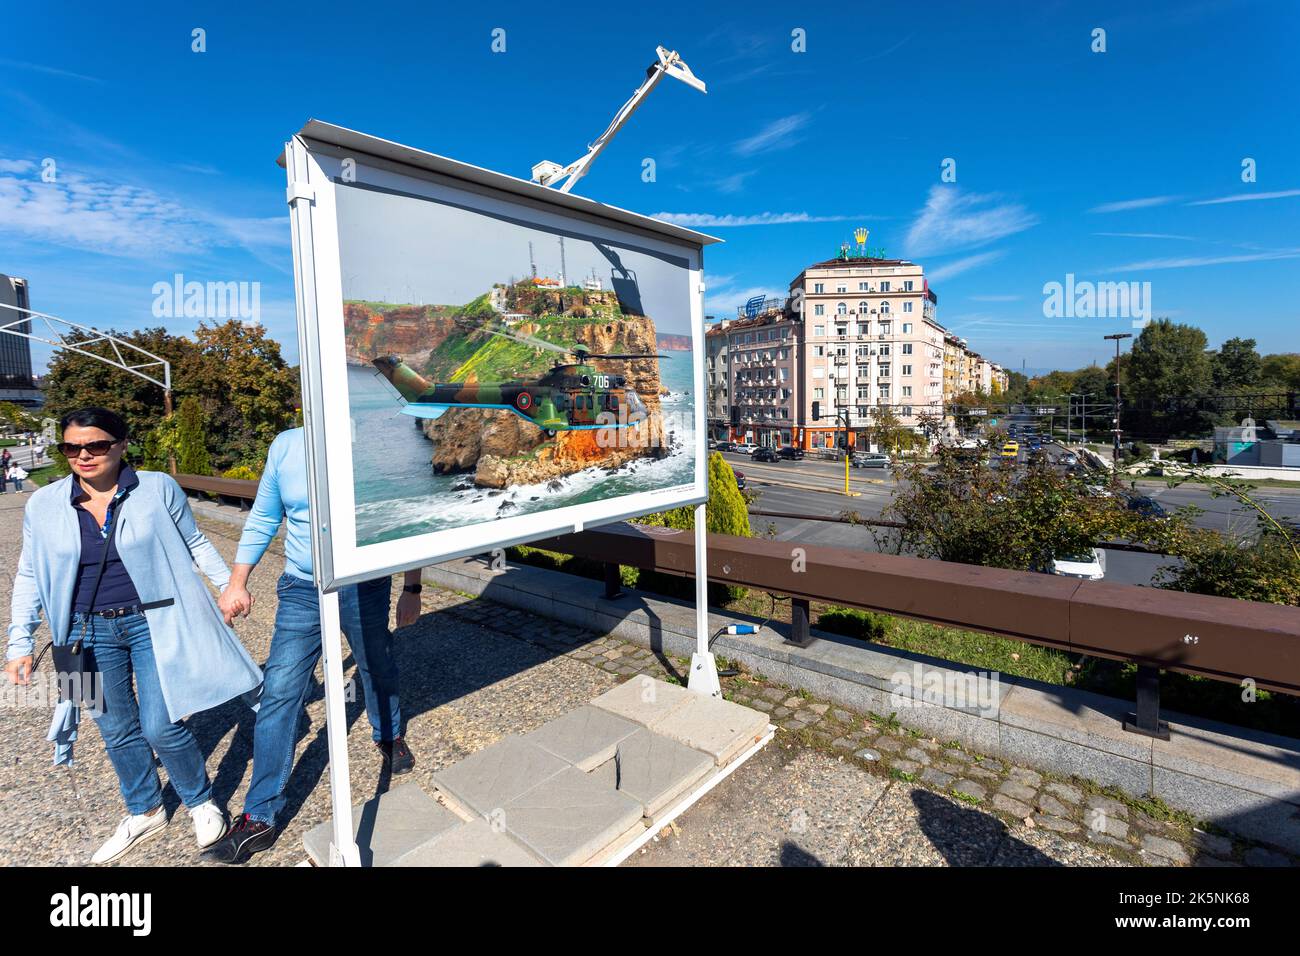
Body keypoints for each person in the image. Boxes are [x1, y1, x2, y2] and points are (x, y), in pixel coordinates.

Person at [4, 408, 263, 864]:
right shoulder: (43, 504)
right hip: (78, 634)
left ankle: (200, 801)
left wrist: (229, 585)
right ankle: (144, 810)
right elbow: (28, 573)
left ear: (122, 445)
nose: (83, 455)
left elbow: (195, 541)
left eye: (96, 445)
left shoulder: (157, 487)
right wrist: (19, 644)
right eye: (71, 448)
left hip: (154, 622)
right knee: (112, 726)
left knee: (161, 724)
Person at [203, 427, 421, 864]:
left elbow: (405, 514)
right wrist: (236, 582)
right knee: (280, 692)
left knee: (375, 662)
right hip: (303, 587)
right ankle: (260, 816)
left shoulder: (376, 438)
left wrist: (412, 587)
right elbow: (264, 517)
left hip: (365, 581)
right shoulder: (286, 446)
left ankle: (389, 733)